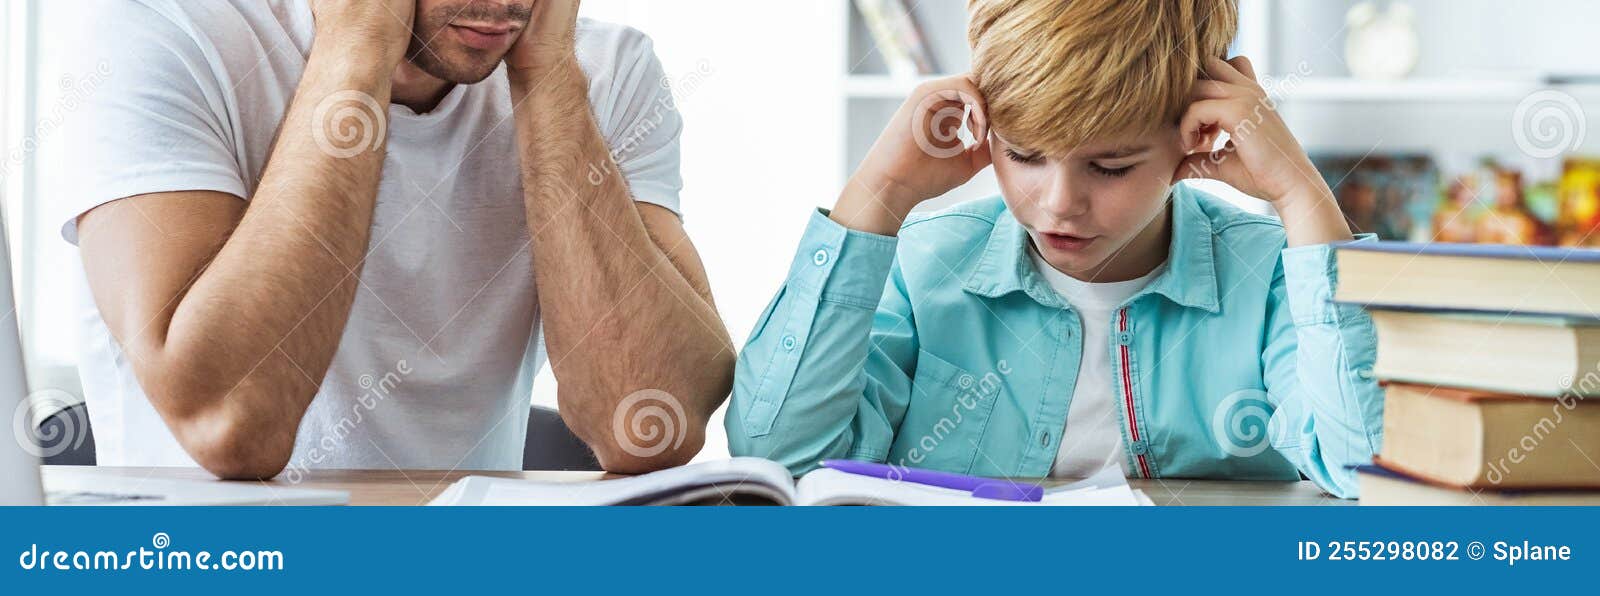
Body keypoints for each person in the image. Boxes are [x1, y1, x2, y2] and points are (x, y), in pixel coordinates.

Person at [726, 0, 1383, 497]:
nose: (1059, 202)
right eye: (1023, 154)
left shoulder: (1266, 277)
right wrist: (879, 192)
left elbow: (1369, 466)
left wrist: (1300, 196)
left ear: (1197, 132)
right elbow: (779, 457)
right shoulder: (924, 262)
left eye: (1112, 167)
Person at [60, 0, 733, 479]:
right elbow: (229, 424)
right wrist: (356, 48)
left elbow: (648, 423)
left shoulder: (602, 68)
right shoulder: (163, 31)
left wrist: (550, 76)